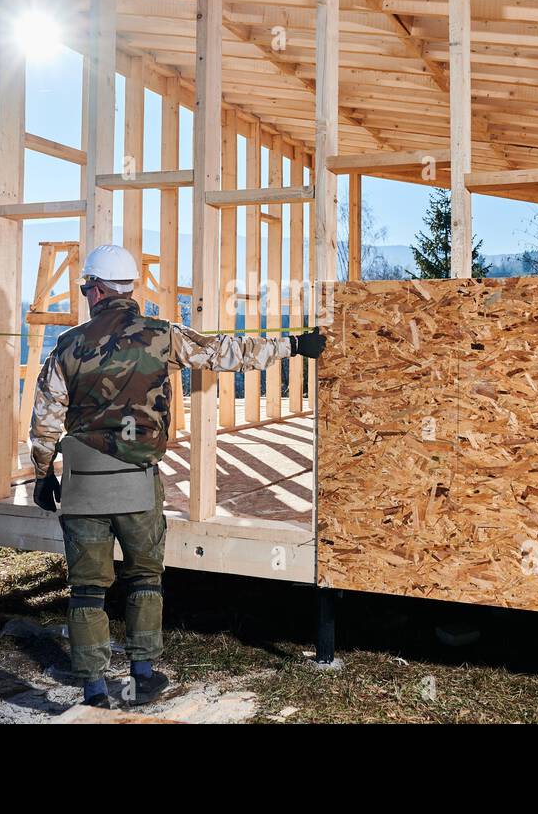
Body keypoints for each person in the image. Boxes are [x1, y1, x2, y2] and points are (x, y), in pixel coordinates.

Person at [30, 244, 325, 708]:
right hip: (137, 481)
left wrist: (43, 473)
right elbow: (225, 353)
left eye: (87, 286)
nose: (86, 293)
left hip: (85, 483)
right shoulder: (162, 336)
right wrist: (293, 345)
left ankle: (93, 690)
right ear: (128, 289)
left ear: (100, 289)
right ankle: (142, 675)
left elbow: (46, 416)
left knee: (87, 587)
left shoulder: (69, 345)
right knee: (145, 576)